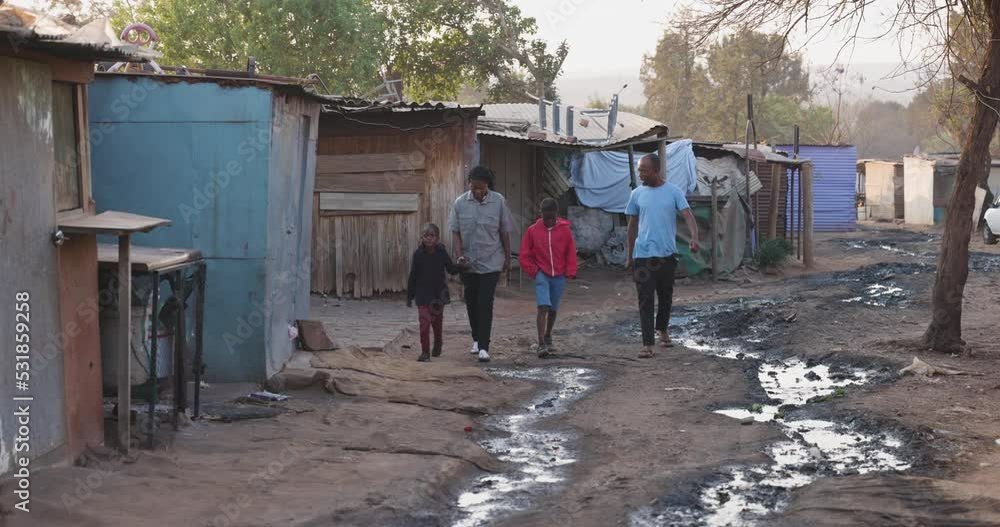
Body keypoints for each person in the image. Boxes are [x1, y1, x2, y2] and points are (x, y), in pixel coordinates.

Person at [625, 153, 700, 359]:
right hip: (643, 255)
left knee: (665, 296)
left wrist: (694, 238)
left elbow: (688, 215)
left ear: (656, 170)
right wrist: (629, 255)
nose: (641, 174)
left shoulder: (673, 192)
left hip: (667, 255)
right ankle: (647, 344)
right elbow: (632, 226)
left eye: (644, 170)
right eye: (639, 170)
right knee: (645, 300)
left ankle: (663, 330)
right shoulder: (637, 194)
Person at [448, 166, 514, 363]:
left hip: (491, 261)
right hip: (468, 263)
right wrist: (459, 256)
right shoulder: (460, 203)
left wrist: (508, 259)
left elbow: (504, 232)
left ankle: (485, 346)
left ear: (488, 186)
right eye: (474, 187)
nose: (477, 192)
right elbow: (455, 232)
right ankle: (476, 339)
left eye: (481, 188)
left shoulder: (499, 202)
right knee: (471, 301)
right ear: (469, 184)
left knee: (485, 303)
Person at [519, 198, 577, 358]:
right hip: (542, 274)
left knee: (553, 309)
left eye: (552, 217)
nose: (549, 221)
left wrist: (570, 270)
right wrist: (534, 271)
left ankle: (548, 335)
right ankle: (541, 344)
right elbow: (525, 255)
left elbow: (570, 251)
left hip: (559, 275)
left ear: (556, 215)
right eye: (546, 217)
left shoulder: (565, 230)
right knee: (543, 306)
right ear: (541, 214)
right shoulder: (532, 231)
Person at [407, 223, 464, 362]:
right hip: (422, 293)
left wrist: (461, 266)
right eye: (426, 235)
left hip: (439, 293)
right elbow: (413, 275)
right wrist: (410, 296)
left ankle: (438, 342)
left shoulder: (441, 252)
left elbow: (450, 269)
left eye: (432, 236)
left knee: (437, 323)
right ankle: (425, 352)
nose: (428, 238)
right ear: (422, 237)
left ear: (437, 238)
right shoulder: (418, 254)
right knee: (424, 322)